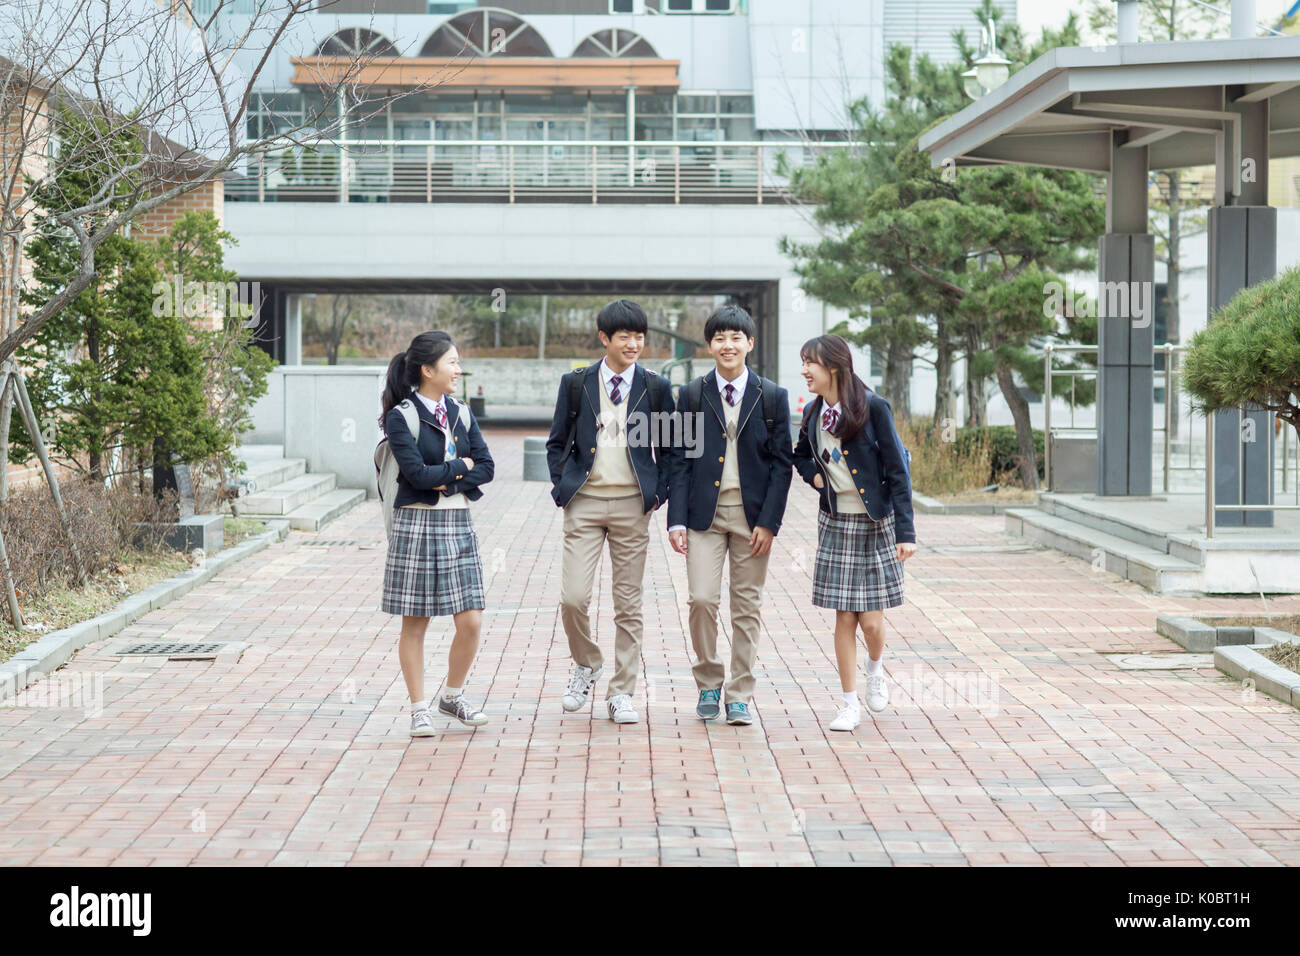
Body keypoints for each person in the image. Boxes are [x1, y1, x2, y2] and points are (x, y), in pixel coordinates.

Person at [544, 299, 671, 724]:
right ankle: (587, 661)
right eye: (624, 337)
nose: (633, 344)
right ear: (605, 338)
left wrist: (658, 492)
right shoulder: (576, 383)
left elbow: (671, 447)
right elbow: (557, 441)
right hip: (584, 502)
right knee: (573, 598)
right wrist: (562, 485)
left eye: (639, 336)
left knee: (628, 603)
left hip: (634, 504)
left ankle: (622, 692)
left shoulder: (656, 387)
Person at [666, 304, 792, 726]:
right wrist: (676, 519)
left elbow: (781, 464)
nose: (728, 344)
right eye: (719, 338)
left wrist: (769, 523)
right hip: (705, 514)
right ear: (708, 346)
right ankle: (708, 682)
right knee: (702, 599)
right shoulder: (690, 395)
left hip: (752, 518)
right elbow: (680, 459)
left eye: (736, 337)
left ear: (750, 344)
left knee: (746, 606)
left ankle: (739, 694)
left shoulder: (772, 396)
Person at [792, 334, 916, 732]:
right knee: (844, 617)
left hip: (876, 523)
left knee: (872, 623)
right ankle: (849, 703)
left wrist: (906, 531)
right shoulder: (813, 414)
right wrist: (814, 477)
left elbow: (898, 470)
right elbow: (798, 454)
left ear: (833, 366)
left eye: (810, 362)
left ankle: (875, 669)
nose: (804, 371)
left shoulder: (873, 407)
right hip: (835, 521)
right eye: (802, 362)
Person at [378, 331, 495, 736]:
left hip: (458, 521)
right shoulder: (402, 416)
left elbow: (487, 467)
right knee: (415, 623)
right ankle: (417, 708)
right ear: (428, 370)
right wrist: (459, 469)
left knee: (472, 621)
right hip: (417, 524)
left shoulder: (461, 412)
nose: (459, 370)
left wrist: (450, 478)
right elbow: (416, 475)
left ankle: (451, 695)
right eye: (452, 363)